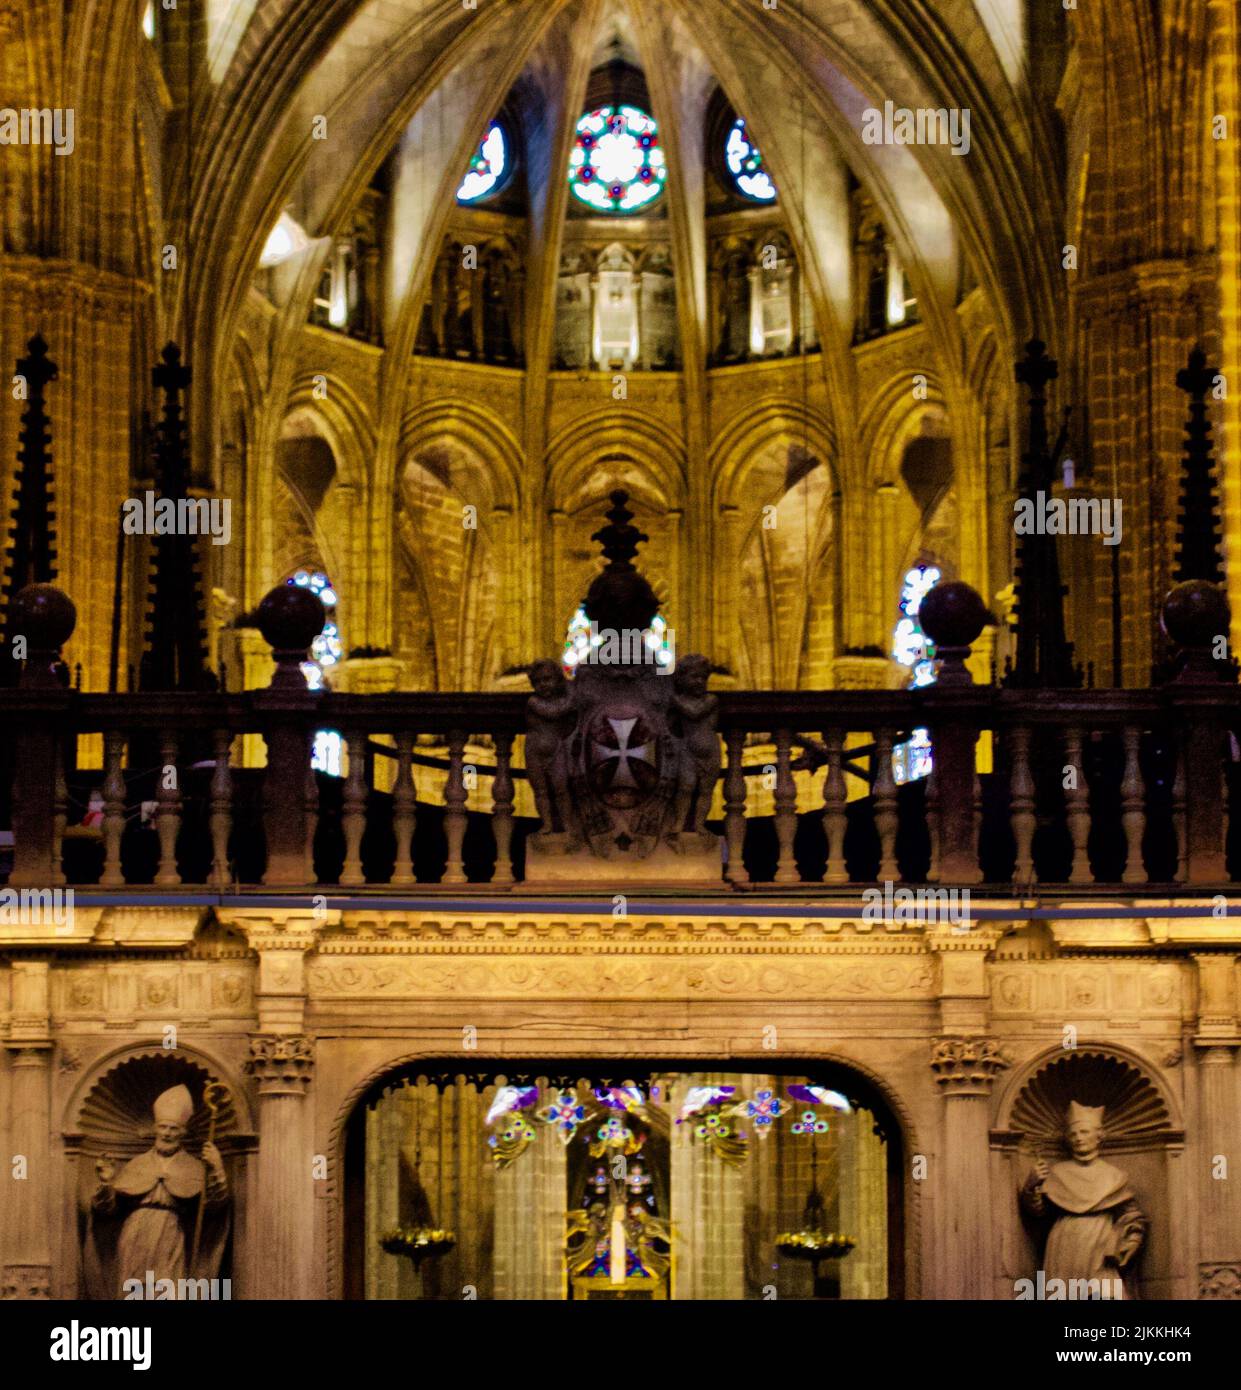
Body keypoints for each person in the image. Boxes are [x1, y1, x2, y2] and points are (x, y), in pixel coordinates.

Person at [86, 1084, 229, 1298]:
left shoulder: (195, 1166)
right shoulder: (138, 1163)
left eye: (174, 1129)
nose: (167, 1133)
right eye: (163, 1127)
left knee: (167, 1290)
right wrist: (106, 1183)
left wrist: (217, 1168)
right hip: (134, 1235)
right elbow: (106, 1211)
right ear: (155, 1128)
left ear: (183, 1132)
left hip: (170, 1235)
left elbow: (214, 1208)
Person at [1021, 1100, 1146, 1297]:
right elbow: (1038, 1211)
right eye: (1073, 1134)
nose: (1078, 1138)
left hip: (1101, 1243)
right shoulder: (1057, 1172)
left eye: (1084, 1132)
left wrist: (1131, 1241)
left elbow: (1132, 1215)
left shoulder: (1114, 1176)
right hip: (1066, 1241)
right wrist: (1032, 1185)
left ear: (1099, 1136)